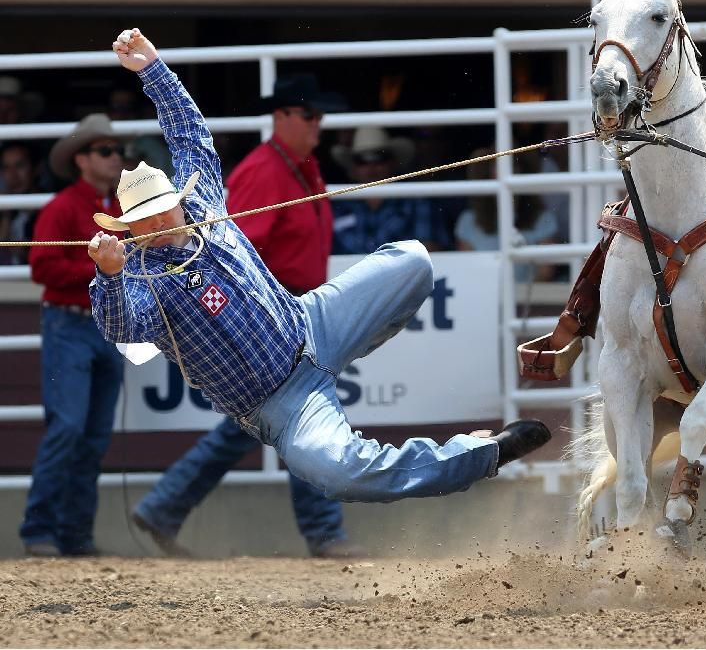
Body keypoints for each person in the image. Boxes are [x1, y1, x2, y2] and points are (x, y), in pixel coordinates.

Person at [88, 28, 550, 514]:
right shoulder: (137, 274)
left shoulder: (203, 201)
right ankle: (478, 455)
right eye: (145, 217)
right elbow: (119, 325)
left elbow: (188, 131)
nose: (158, 220)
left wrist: (153, 70)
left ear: (178, 200)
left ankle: (177, 506)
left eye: (163, 207)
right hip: (277, 403)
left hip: (311, 322)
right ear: (130, 227)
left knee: (413, 260)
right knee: (341, 472)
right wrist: (109, 276)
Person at [131, 74, 358, 559]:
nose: (319, 125)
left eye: (320, 116)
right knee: (304, 416)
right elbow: (238, 251)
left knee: (263, 424)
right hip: (274, 312)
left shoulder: (296, 166)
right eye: (310, 116)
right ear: (282, 118)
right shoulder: (267, 170)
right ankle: (323, 530)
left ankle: (165, 506)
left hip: (287, 307)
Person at [20, 113, 126, 556]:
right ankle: (44, 530)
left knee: (92, 435)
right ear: (82, 160)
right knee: (69, 429)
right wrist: (99, 269)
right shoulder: (64, 208)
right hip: (72, 324)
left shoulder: (116, 211)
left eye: (115, 150)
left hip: (95, 325)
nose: (115, 157)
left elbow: (44, 268)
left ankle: (71, 533)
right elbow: (41, 267)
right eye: (104, 151)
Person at [330, 126, 454, 254]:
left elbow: (430, 253)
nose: (372, 167)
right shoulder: (337, 206)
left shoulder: (417, 201)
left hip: (403, 274)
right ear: (353, 169)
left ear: (393, 163)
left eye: (379, 158)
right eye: (362, 160)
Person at [455, 146, 561, 283]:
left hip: (530, 301)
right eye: (499, 165)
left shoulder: (543, 219)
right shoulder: (468, 221)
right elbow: (467, 271)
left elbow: (546, 272)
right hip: (483, 299)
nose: (508, 171)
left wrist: (519, 299)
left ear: (521, 171)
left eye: (513, 164)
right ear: (488, 172)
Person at [0, 141, 42, 266]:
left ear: (36, 168)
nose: (13, 175)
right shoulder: (3, 207)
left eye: (19, 166)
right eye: (6, 167)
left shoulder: (47, 206)